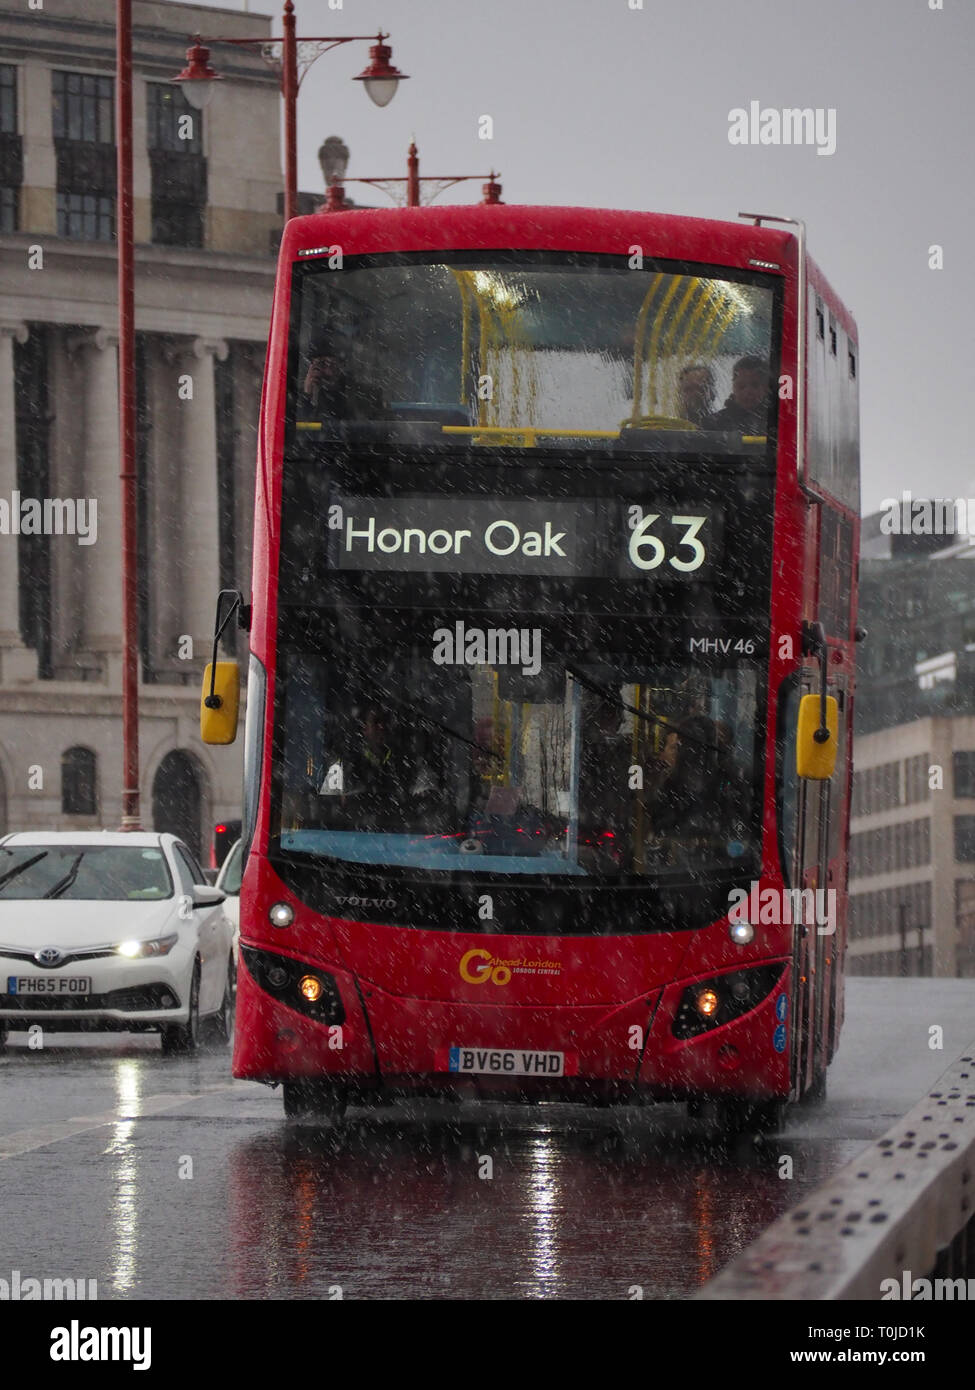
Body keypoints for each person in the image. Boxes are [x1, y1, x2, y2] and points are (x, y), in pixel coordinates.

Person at [650, 713, 748, 850]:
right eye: (679, 746)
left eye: (694, 747)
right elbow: (659, 829)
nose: (686, 754)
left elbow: (737, 835)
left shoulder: (728, 785)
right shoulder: (669, 786)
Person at [702, 355, 770, 435]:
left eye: (755, 385)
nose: (748, 392)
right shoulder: (713, 423)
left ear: (765, 388)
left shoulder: (774, 422)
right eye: (741, 386)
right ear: (733, 387)